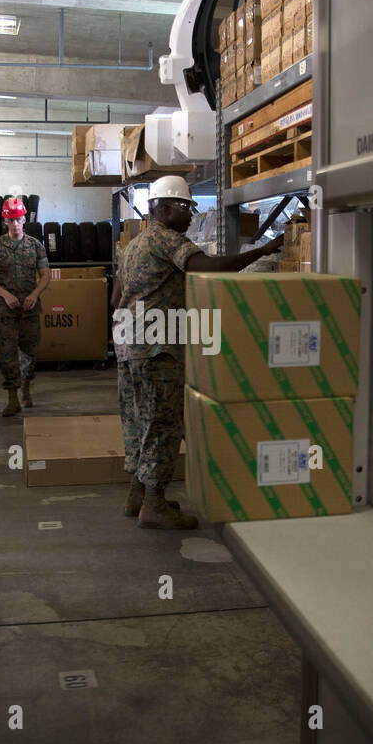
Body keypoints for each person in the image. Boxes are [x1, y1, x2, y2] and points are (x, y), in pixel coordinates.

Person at [114, 175, 283, 529]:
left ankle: (137, 494)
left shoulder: (133, 245)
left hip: (129, 347)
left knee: (141, 422)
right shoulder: (166, 239)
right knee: (162, 424)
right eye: (184, 207)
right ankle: (155, 505)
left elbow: (117, 299)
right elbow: (205, 268)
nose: (191, 214)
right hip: (156, 348)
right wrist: (262, 251)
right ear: (160, 207)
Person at [0, 196, 50, 416]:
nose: (14, 224)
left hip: (29, 308)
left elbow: (45, 275)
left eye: (18, 220)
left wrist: (34, 294)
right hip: (5, 310)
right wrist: (4, 295)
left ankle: (26, 388)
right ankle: (12, 398)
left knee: (29, 351)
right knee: (8, 352)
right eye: (10, 221)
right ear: (5, 222)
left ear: (24, 220)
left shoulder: (35, 245)